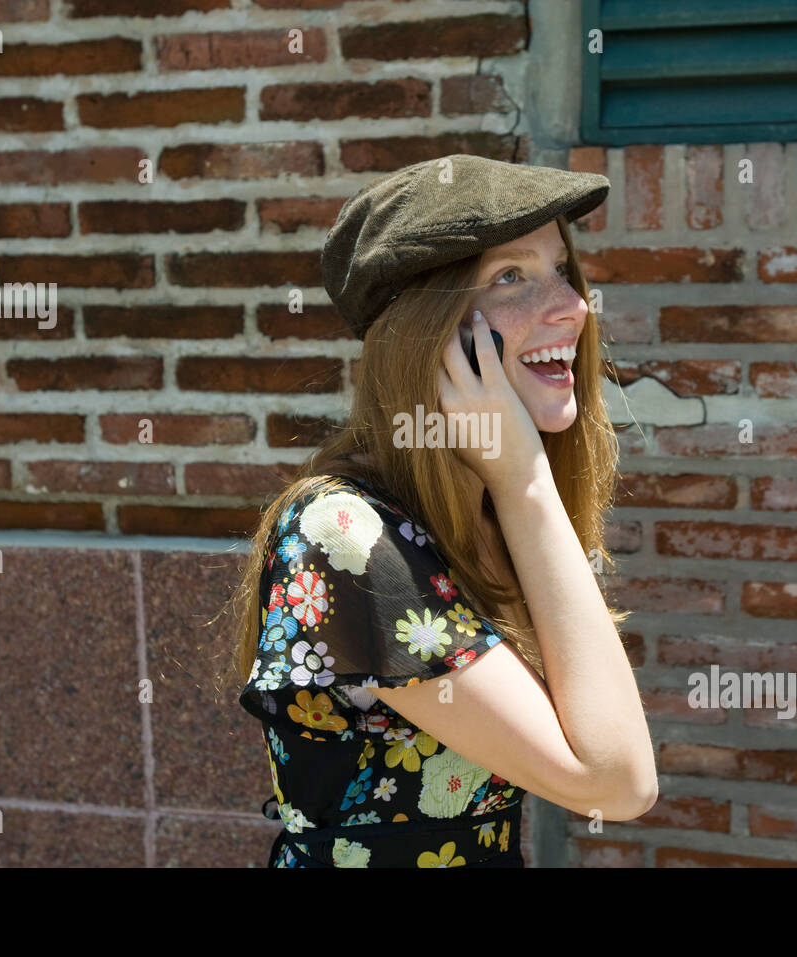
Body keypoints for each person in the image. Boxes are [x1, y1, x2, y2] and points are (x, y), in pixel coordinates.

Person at [224, 154, 658, 867]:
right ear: (428, 337)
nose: (574, 306)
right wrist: (523, 479)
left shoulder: (487, 518)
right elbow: (619, 782)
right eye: (511, 276)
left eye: (561, 269)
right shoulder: (343, 536)